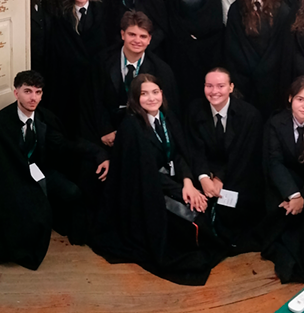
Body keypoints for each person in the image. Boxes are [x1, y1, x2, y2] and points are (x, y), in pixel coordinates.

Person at [93, 73, 220, 286]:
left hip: (172, 179)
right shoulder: (131, 126)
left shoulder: (168, 117)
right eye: (144, 94)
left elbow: (180, 154)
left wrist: (188, 183)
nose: (151, 98)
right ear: (135, 98)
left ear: (162, 93)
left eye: (155, 92)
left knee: (207, 204)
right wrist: (180, 191)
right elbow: (144, 172)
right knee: (192, 219)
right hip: (144, 189)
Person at [0, 70, 96, 269]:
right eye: (27, 91)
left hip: (39, 170)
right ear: (16, 93)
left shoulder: (44, 118)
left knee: (72, 192)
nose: (33, 98)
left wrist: (98, 155)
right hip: (12, 176)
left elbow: (66, 144)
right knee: (30, 208)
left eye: (38, 92)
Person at [181, 67, 264, 252]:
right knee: (195, 205)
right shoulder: (194, 110)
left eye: (220, 86)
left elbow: (244, 156)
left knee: (233, 208)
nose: (214, 91)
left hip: (237, 173)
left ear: (231, 87)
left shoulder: (249, 115)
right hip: (203, 170)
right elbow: (194, 148)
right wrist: (204, 177)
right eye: (209, 86)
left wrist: (219, 178)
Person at [260, 76, 304, 282]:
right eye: (300, 99)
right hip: (285, 186)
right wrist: (292, 195)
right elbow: (274, 163)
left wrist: (303, 197)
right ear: (290, 98)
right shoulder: (276, 123)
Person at [82, 12, 178, 149]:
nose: (137, 40)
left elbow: (167, 110)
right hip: (106, 135)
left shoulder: (161, 70)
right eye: (132, 34)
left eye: (143, 36)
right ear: (123, 35)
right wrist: (105, 130)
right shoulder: (101, 62)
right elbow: (93, 99)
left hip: (144, 139)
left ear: (149, 39)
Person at [43, 0, 106, 135]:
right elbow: (58, 47)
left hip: (95, 75)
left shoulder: (102, 11)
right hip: (69, 76)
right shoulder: (61, 14)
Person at [225, 0, 290, 117]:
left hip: (272, 79)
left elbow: (281, 45)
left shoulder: (281, 9)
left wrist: (264, 70)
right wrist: (251, 69)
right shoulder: (237, 8)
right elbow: (233, 44)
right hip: (245, 78)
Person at [162, 0, 225, 104]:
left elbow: (215, 21)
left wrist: (199, 36)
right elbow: (173, 24)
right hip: (184, 53)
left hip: (209, 50)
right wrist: (189, 38)